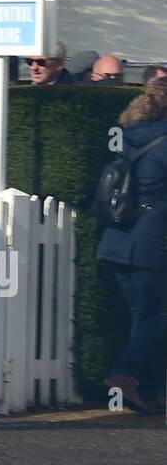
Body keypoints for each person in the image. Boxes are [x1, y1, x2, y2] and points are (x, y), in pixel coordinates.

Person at [95, 80, 167, 414]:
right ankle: (124, 374)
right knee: (155, 316)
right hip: (148, 244)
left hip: (117, 240)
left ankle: (149, 392)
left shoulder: (130, 136)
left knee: (144, 316)